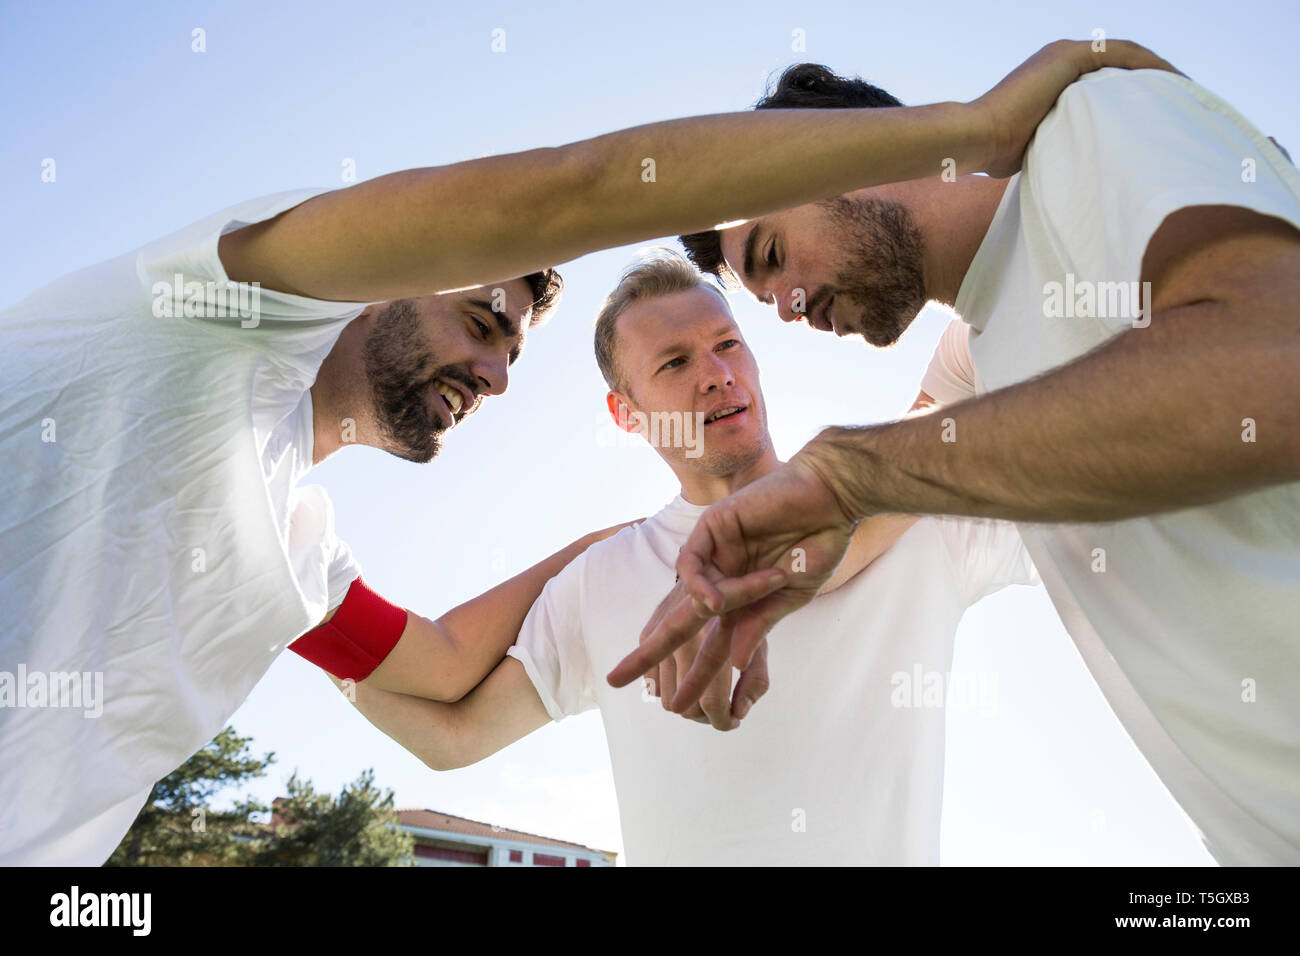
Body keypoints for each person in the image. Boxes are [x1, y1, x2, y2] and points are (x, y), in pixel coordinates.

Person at [1, 38, 1166, 867]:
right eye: (485, 320)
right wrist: (613, 541)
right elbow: (447, 703)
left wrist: (1013, 165)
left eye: (729, 338)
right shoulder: (229, 307)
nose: (500, 374)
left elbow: (976, 359)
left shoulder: (293, 555)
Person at [616, 61, 1300, 865]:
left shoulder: (1093, 129)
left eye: (775, 254)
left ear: (861, 150)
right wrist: (732, 586)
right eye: (766, 303)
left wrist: (848, 472)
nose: (791, 309)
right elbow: (860, 516)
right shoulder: (977, 365)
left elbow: (1272, 359)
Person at [334, 250, 1037, 865]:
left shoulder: (917, 512)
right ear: (626, 415)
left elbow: (994, 334)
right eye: (674, 362)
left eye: (728, 345)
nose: (715, 376)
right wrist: (288, 597)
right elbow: (453, 736)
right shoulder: (602, 577)